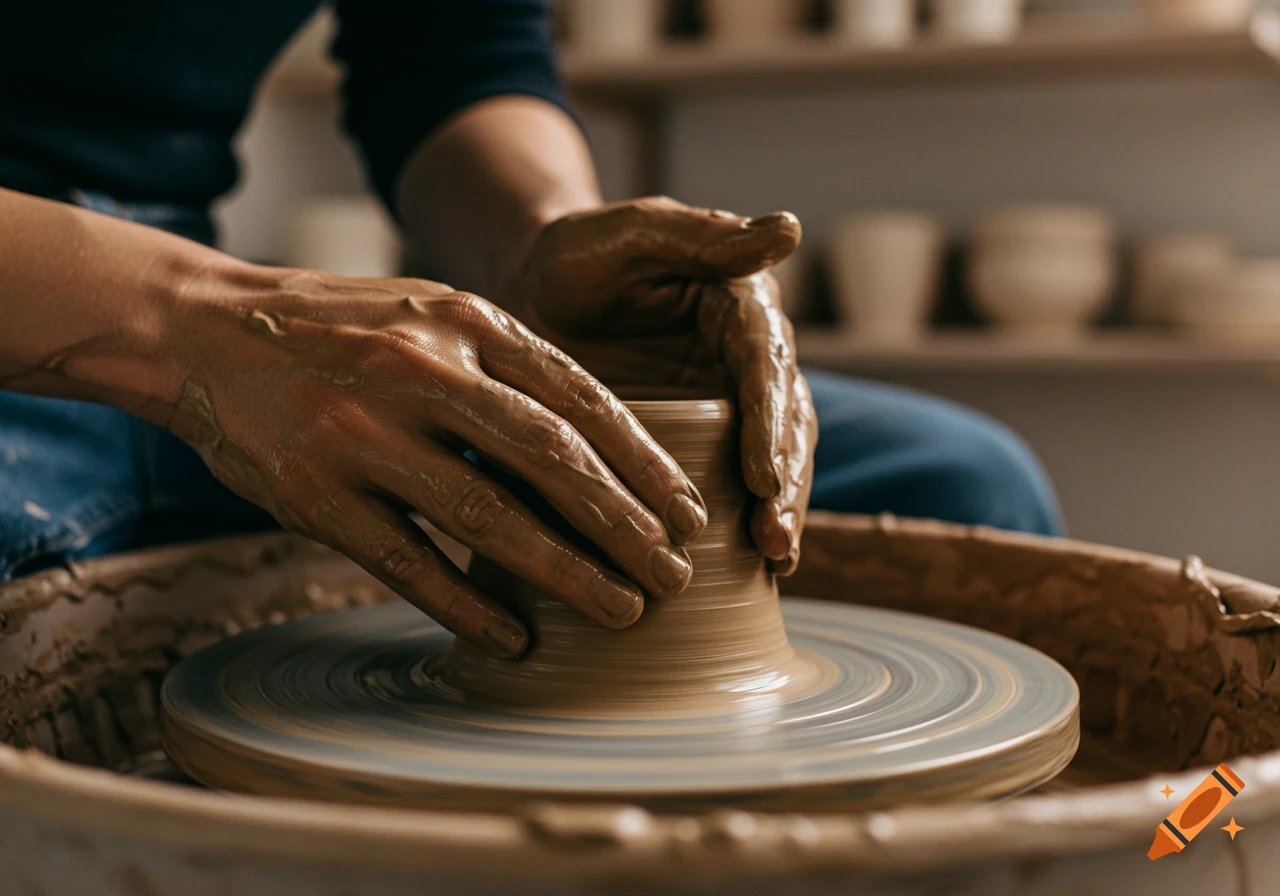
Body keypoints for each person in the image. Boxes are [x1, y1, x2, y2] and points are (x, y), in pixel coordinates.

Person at [0, 1, 1060, 658]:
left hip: (204, 277)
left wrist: (536, 244)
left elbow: (453, 55)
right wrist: (188, 318)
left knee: (957, 483)